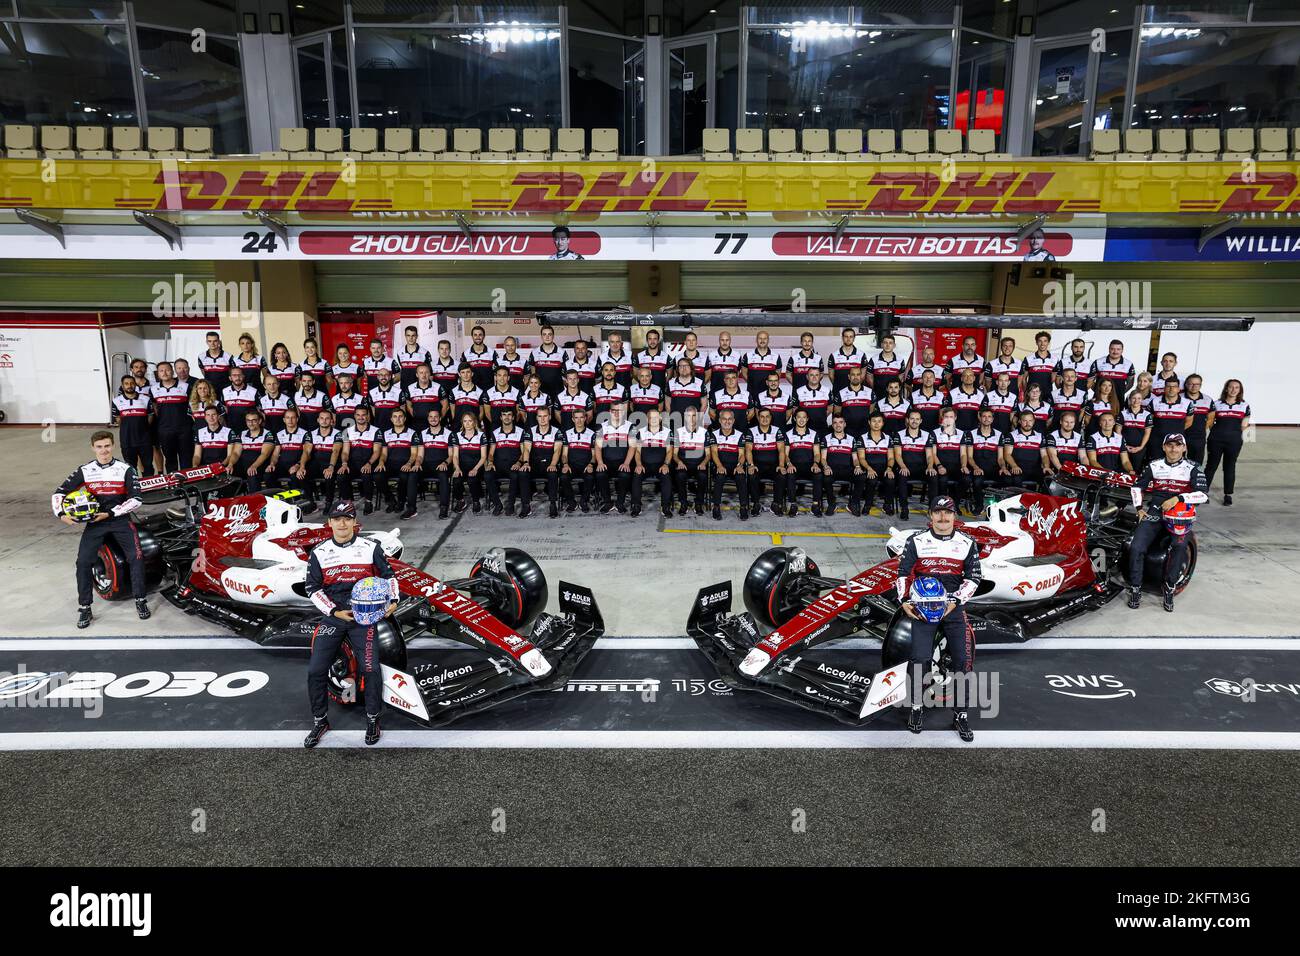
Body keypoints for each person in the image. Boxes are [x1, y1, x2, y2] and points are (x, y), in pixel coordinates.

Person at [302, 500, 398, 748]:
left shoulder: (370, 547)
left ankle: (373, 718)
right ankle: (320, 720)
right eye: (337, 519)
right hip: (334, 617)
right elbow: (312, 588)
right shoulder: (319, 552)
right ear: (330, 523)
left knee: (371, 669)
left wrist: (394, 600)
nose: (342, 523)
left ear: (355, 522)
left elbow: (389, 576)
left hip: (363, 618)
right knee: (315, 670)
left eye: (347, 518)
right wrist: (333, 611)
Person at [895, 496, 982, 740]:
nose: (943, 518)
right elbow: (903, 573)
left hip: (953, 607)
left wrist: (955, 601)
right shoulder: (916, 541)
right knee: (919, 659)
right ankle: (916, 708)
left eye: (948, 513)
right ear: (930, 516)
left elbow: (974, 577)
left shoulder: (967, 543)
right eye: (938, 513)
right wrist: (904, 600)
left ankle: (961, 714)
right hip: (923, 607)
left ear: (955, 516)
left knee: (962, 661)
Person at [53, 430, 151, 628]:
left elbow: (136, 499)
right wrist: (61, 514)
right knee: (82, 562)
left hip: (120, 520)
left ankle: (140, 600)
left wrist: (112, 513)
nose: (103, 450)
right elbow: (60, 492)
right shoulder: (85, 470)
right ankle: (84, 608)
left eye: (107, 446)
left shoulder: (126, 469)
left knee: (136, 557)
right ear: (93, 448)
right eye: (99, 447)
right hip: (95, 523)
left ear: (112, 446)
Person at [1127, 433, 1207, 612]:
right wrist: (1139, 508)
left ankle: (1170, 587)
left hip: (1180, 513)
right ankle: (1135, 587)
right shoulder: (1154, 465)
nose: (1173, 449)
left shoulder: (1193, 467)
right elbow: (1136, 487)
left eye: (1178, 445)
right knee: (1136, 547)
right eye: (1170, 445)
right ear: (1164, 447)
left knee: (1179, 547)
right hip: (1155, 511)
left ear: (1184, 448)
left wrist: (1179, 498)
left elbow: (1203, 494)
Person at [1205, 379, 1250, 506]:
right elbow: (1210, 422)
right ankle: (1203, 492)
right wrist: (1218, 432)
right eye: (1231, 387)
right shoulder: (1216, 403)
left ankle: (1228, 494)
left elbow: (1244, 425)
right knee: (1211, 466)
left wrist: (1233, 434)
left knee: (1229, 467)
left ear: (1240, 390)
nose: (1233, 390)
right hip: (1216, 440)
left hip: (1234, 441)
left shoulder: (1244, 405)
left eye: (1237, 387)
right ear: (1226, 388)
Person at [891, 409, 937, 520]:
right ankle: (904, 508)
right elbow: (897, 455)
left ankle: (932, 509)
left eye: (917, 419)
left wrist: (930, 466)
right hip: (905, 466)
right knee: (902, 475)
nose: (914, 421)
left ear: (921, 421)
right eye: (912, 419)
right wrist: (902, 466)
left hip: (921, 468)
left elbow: (930, 456)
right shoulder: (899, 434)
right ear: (907, 420)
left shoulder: (927, 435)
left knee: (934, 476)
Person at [338, 405, 382, 514]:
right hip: (353, 463)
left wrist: (369, 463)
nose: (361, 417)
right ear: (354, 416)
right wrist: (344, 463)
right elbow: (345, 451)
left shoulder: (376, 431)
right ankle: (347, 503)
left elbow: (377, 451)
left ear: (367, 416)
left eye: (363, 415)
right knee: (341, 476)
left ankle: (368, 501)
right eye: (358, 415)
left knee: (366, 475)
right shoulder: (347, 431)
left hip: (368, 462)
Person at [485, 407, 530, 516]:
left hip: (513, 465)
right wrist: (490, 462)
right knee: (487, 475)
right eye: (504, 415)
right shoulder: (495, 432)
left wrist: (519, 463)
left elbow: (524, 451)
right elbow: (491, 453)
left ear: (513, 417)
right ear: (500, 417)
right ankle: (497, 504)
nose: (507, 417)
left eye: (509, 414)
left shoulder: (520, 432)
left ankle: (510, 504)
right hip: (498, 465)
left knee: (515, 476)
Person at [632, 406, 674, 518]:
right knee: (636, 474)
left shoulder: (667, 432)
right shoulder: (641, 432)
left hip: (661, 465)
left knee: (666, 475)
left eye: (656, 417)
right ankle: (636, 505)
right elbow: (637, 451)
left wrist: (666, 464)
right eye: (651, 417)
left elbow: (670, 451)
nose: (654, 420)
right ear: (647, 419)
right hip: (645, 465)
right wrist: (639, 464)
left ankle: (665, 507)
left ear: (660, 418)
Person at [379, 407, 421, 519]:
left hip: (405, 463)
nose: (398, 419)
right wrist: (381, 462)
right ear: (391, 419)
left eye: (400, 416)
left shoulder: (412, 433)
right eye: (395, 417)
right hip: (390, 464)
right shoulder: (386, 434)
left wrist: (408, 463)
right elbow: (383, 454)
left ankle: (401, 502)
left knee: (404, 476)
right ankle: (391, 500)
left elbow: (414, 454)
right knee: (378, 476)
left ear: (405, 418)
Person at [744, 407, 786, 516]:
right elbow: (748, 449)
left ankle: (776, 504)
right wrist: (751, 465)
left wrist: (781, 465)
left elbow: (782, 449)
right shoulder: (751, 431)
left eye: (767, 416)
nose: (765, 419)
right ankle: (756, 504)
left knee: (781, 474)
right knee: (752, 475)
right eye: (762, 416)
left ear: (771, 418)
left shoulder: (777, 430)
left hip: (773, 466)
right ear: (758, 418)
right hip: (757, 466)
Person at [112, 373, 155, 477]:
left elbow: (150, 417)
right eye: (126, 384)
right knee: (130, 467)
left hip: (144, 439)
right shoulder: (116, 401)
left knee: (148, 465)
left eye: (132, 383)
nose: (129, 385)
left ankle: (150, 488)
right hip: (127, 440)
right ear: (122, 386)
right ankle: (134, 488)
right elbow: (118, 419)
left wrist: (142, 427)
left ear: (135, 385)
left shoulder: (145, 399)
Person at [782, 407, 823, 516]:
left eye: (804, 417)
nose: (801, 420)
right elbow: (785, 454)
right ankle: (793, 505)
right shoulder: (788, 434)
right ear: (794, 418)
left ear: (807, 419)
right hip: (794, 465)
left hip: (809, 466)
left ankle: (815, 505)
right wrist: (789, 464)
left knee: (818, 474)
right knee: (790, 474)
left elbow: (817, 453)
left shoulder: (814, 434)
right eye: (799, 417)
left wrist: (816, 463)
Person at [709, 409, 749, 521]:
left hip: (735, 466)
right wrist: (719, 466)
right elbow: (714, 453)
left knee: (741, 477)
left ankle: (743, 507)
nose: (727, 422)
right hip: (720, 465)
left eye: (730, 419)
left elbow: (742, 454)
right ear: (720, 420)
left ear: (733, 420)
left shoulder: (740, 435)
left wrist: (740, 465)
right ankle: (716, 507)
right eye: (724, 419)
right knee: (720, 477)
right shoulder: (714, 435)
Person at [152, 361, 192, 472]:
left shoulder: (185, 387)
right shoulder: (153, 389)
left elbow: (193, 406)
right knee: (170, 459)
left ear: (172, 371)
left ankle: (188, 485)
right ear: (158, 373)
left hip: (184, 429)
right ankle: (173, 485)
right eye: (161, 370)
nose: (164, 373)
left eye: (167, 370)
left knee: (186, 459)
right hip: (165, 430)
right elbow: (154, 408)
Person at [821, 413, 864, 516]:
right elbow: (823, 458)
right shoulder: (826, 438)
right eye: (835, 423)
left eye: (840, 422)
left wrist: (857, 466)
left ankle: (853, 503)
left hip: (847, 469)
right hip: (832, 469)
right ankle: (832, 503)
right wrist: (826, 466)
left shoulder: (851, 439)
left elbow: (855, 458)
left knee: (861, 477)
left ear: (845, 424)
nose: (838, 425)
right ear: (832, 425)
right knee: (826, 478)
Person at [523, 405, 563, 518]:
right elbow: (526, 449)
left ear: (550, 417)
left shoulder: (557, 432)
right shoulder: (530, 431)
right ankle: (526, 505)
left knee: (553, 473)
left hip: (549, 464)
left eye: (545, 416)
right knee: (523, 473)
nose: (543, 419)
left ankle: (552, 504)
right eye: (540, 416)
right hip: (534, 465)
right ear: (536, 418)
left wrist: (553, 464)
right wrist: (525, 463)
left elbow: (557, 451)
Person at [595, 402, 634, 514]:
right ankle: (607, 502)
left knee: (625, 474)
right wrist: (600, 462)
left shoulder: (631, 426)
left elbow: (632, 447)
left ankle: (620, 503)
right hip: (607, 461)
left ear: (624, 412)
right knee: (600, 474)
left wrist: (626, 463)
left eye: (620, 411)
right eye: (614, 410)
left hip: (623, 461)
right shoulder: (601, 426)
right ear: (610, 412)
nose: (617, 413)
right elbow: (597, 446)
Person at [270, 408, 314, 509]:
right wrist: (272, 464)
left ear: (297, 419)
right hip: (283, 465)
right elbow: (276, 453)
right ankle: (278, 503)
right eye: (288, 418)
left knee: (297, 476)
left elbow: (307, 453)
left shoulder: (305, 433)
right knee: (268, 474)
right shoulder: (279, 434)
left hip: (298, 464)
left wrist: (298, 465)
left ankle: (300, 505)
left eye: (293, 417)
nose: (290, 420)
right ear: (284, 420)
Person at [962, 408, 1003, 512]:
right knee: (977, 481)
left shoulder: (999, 434)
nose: (986, 419)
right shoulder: (971, 434)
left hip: (993, 468)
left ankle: (999, 507)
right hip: (978, 468)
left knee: (1006, 479)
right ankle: (979, 505)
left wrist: (1003, 467)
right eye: (984, 416)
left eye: (989, 417)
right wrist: (975, 467)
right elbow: (969, 457)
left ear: (993, 419)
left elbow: (1001, 457)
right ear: (979, 418)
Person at [673, 405, 710, 516]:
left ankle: (699, 503)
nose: (692, 419)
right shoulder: (678, 432)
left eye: (694, 416)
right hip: (683, 464)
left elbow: (708, 454)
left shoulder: (704, 432)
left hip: (699, 464)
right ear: (685, 417)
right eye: (689, 416)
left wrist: (704, 463)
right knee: (680, 476)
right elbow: (674, 454)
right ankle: (683, 503)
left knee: (703, 477)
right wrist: (679, 462)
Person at [419, 407, 454, 519]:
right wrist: (417, 463)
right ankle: (411, 508)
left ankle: (444, 507)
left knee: (443, 476)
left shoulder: (448, 433)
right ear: (428, 418)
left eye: (435, 417)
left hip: (442, 465)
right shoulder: (423, 433)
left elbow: (452, 455)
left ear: (440, 418)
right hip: (426, 466)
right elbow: (420, 455)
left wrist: (445, 463)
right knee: (413, 474)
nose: (433, 419)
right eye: (431, 417)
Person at [561, 407, 598, 513]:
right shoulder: (567, 433)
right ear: (573, 419)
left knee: (590, 477)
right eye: (576, 418)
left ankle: (583, 501)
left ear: (585, 418)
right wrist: (565, 464)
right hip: (571, 466)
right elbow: (564, 454)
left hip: (586, 466)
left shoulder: (592, 434)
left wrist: (591, 464)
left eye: (582, 417)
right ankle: (571, 502)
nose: (579, 420)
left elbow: (594, 454)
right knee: (563, 477)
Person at [1001, 409, 1048, 490]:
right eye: (1024, 421)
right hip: (1018, 468)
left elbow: (1044, 455)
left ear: (1034, 421)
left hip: (1034, 469)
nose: (1027, 423)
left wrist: (1046, 466)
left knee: (1048, 479)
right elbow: (1007, 455)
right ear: (1019, 421)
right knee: (1015, 481)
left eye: (1030, 421)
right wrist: (1014, 466)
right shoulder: (1011, 435)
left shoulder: (1040, 436)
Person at [306, 408, 342, 513]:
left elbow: (335, 451)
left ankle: (329, 503)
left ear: (332, 421)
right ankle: (310, 503)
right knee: (302, 474)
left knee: (329, 475)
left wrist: (331, 467)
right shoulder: (311, 433)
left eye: (327, 418)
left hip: (331, 462)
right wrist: (301, 466)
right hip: (316, 463)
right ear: (318, 420)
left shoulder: (338, 433)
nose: (324, 420)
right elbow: (306, 452)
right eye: (322, 418)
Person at [859, 410, 894, 515]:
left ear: (883, 423)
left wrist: (889, 468)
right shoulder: (862, 438)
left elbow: (891, 458)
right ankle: (867, 505)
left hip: (884, 468)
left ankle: (887, 505)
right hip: (869, 468)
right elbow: (861, 458)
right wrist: (868, 468)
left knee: (890, 480)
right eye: (874, 421)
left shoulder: (888, 438)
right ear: (869, 422)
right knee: (871, 480)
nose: (876, 424)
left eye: (879, 421)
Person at [931, 407, 967, 506]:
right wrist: (939, 466)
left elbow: (963, 454)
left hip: (956, 467)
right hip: (941, 466)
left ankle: (955, 504)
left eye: (951, 417)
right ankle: (942, 505)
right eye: (946, 416)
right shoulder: (934, 433)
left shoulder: (961, 433)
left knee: (967, 479)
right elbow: (933, 454)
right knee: (942, 480)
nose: (948, 419)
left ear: (955, 418)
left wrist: (964, 465)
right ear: (942, 418)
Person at [451, 412, 486, 513]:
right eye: (465, 421)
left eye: (470, 421)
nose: (467, 423)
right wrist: (457, 468)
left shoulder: (481, 435)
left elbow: (483, 457)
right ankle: (461, 501)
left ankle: (476, 501)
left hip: (477, 466)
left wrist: (475, 469)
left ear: (474, 422)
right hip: (462, 466)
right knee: (456, 480)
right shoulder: (457, 435)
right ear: (462, 423)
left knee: (472, 479)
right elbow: (455, 456)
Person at [235, 410, 275, 492]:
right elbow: (235, 453)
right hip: (244, 466)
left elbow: (265, 454)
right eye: (248, 420)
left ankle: (254, 502)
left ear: (259, 421)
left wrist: (254, 466)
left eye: (254, 420)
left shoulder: (268, 434)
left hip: (259, 466)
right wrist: (230, 464)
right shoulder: (242, 434)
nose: (251, 423)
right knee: (228, 473)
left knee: (252, 474)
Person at [1148, 377, 1191, 449]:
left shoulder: (1187, 403)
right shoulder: (1154, 401)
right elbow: (1149, 421)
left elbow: (1189, 422)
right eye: (1168, 386)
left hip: (1177, 442)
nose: (1171, 389)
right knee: (1155, 460)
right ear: (1164, 388)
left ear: (1178, 389)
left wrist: (1175, 432)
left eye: (1174, 386)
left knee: (1175, 460)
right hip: (1157, 440)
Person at [834, 365, 875, 438]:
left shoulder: (870, 392)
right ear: (849, 377)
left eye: (858, 374)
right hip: (847, 432)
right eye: (853, 374)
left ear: (861, 376)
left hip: (865, 431)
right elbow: (837, 414)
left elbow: (871, 412)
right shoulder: (841, 393)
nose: (855, 377)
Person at [740, 330, 782, 401]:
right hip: (752, 393)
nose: (762, 341)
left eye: (765, 338)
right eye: (760, 338)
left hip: (769, 394)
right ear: (756, 340)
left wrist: (771, 384)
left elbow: (778, 373)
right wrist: (751, 382)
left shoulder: (776, 356)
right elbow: (743, 371)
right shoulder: (748, 355)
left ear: (768, 340)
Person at [1181, 374, 1213, 467]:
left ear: (1200, 385)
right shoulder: (1179, 397)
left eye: (1197, 384)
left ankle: (1194, 481)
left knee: (1196, 463)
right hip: (1182, 435)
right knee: (1178, 462)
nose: (1194, 387)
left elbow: (1210, 419)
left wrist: (1201, 429)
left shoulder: (1207, 399)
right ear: (1186, 385)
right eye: (1191, 384)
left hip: (1198, 437)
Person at [527, 324, 567, 396]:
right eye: (544, 334)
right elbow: (533, 374)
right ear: (541, 336)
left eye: (550, 334)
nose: (547, 337)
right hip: (541, 393)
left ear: (553, 336)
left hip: (558, 392)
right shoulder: (534, 353)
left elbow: (566, 375)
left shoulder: (562, 352)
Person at [1120, 387, 1154, 472]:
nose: (1136, 401)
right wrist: (1124, 446)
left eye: (1139, 398)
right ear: (1130, 399)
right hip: (1124, 447)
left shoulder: (1147, 415)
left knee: (1137, 470)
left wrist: (1141, 447)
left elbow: (1147, 433)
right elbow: (1118, 431)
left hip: (1139, 448)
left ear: (1142, 400)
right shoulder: (1122, 413)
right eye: (1134, 398)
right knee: (1123, 469)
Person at [795, 366, 834, 437]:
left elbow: (830, 407)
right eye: (811, 375)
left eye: (816, 375)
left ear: (820, 376)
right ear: (807, 377)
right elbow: (795, 409)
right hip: (805, 430)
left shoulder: (827, 390)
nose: (814, 377)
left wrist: (821, 416)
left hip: (822, 428)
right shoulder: (799, 391)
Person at [867, 333, 908, 400]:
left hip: (894, 396)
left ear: (894, 345)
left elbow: (900, 378)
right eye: (885, 343)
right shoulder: (873, 359)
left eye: (890, 343)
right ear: (881, 344)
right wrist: (875, 389)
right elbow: (869, 378)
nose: (888, 345)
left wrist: (893, 390)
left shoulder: (900, 360)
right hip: (878, 395)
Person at [484, 366, 523, 431]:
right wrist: (496, 425)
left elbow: (518, 413)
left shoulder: (517, 392)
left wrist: (510, 424)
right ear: (496, 377)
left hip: (513, 429)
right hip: (495, 429)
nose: (502, 378)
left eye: (504, 375)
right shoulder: (488, 392)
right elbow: (487, 413)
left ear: (508, 378)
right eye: (499, 375)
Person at [667, 357, 706, 422]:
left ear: (691, 368)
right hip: (676, 421)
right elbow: (667, 404)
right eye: (681, 366)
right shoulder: (670, 383)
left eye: (686, 366)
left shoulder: (700, 383)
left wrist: (698, 419)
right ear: (678, 369)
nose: (683, 368)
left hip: (694, 422)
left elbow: (704, 404)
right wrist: (672, 418)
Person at [448, 361, 486, 428]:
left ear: (472, 374)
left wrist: (475, 424)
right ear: (459, 374)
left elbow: (481, 412)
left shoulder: (480, 392)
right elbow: (453, 412)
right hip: (458, 428)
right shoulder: (453, 391)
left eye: (468, 372)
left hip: (474, 428)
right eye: (463, 372)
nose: (465, 375)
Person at [828, 327, 866, 393]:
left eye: (851, 337)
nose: (848, 339)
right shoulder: (833, 355)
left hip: (855, 392)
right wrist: (839, 385)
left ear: (854, 338)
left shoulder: (861, 355)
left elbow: (862, 376)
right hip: (838, 391)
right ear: (842, 338)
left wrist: (855, 386)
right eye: (846, 336)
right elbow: (831, 376)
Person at [221, 367, 259, 431]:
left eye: (239, 375)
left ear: (243, 376)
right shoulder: (224, 391)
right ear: (230, 378)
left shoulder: (253, 391)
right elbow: (223, 412)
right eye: (234, 375)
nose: (237, 378)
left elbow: (259, 411)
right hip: (231, 429)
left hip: (249, 430)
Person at [396, 324, 432, 390]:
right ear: (405, 336)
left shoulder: (425, 353)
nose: (411, 338)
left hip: (419, 390)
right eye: (408, 335)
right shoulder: (399, 352)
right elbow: (402, 371)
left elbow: (430, 375)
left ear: (417, 336)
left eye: (413, 335)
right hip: (404, 389)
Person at [1021, 331, 1056, 399]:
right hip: (1032, 394)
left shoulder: (1055, 359)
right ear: (1036, 342)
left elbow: (1054, 379)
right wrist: (1026, 392)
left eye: (1045, 341)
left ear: (1048, 342)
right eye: (1040, 341)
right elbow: (1024, 379)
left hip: (1047, 394)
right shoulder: (1028, 359)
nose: (1042, 344)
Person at [634, 328, 671, 392]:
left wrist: (662, 384)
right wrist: (644, 383)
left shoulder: (666, 356)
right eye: (650, 339)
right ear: (647, 340)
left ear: (658, 340)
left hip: (660, 391)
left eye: (655, 339)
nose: (652, 341)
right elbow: (635, 374)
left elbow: (670, 375)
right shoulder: (639, 356)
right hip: (643, 392)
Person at [461, 325, 495, 391]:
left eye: (480, 335)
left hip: (489, 390)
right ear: (472, 337)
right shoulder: (465, 354)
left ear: (484, 336)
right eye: (475, 335)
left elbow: (497, 373)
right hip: (472, 391)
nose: (478, 337)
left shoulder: (492, 352)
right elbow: (462, 373)